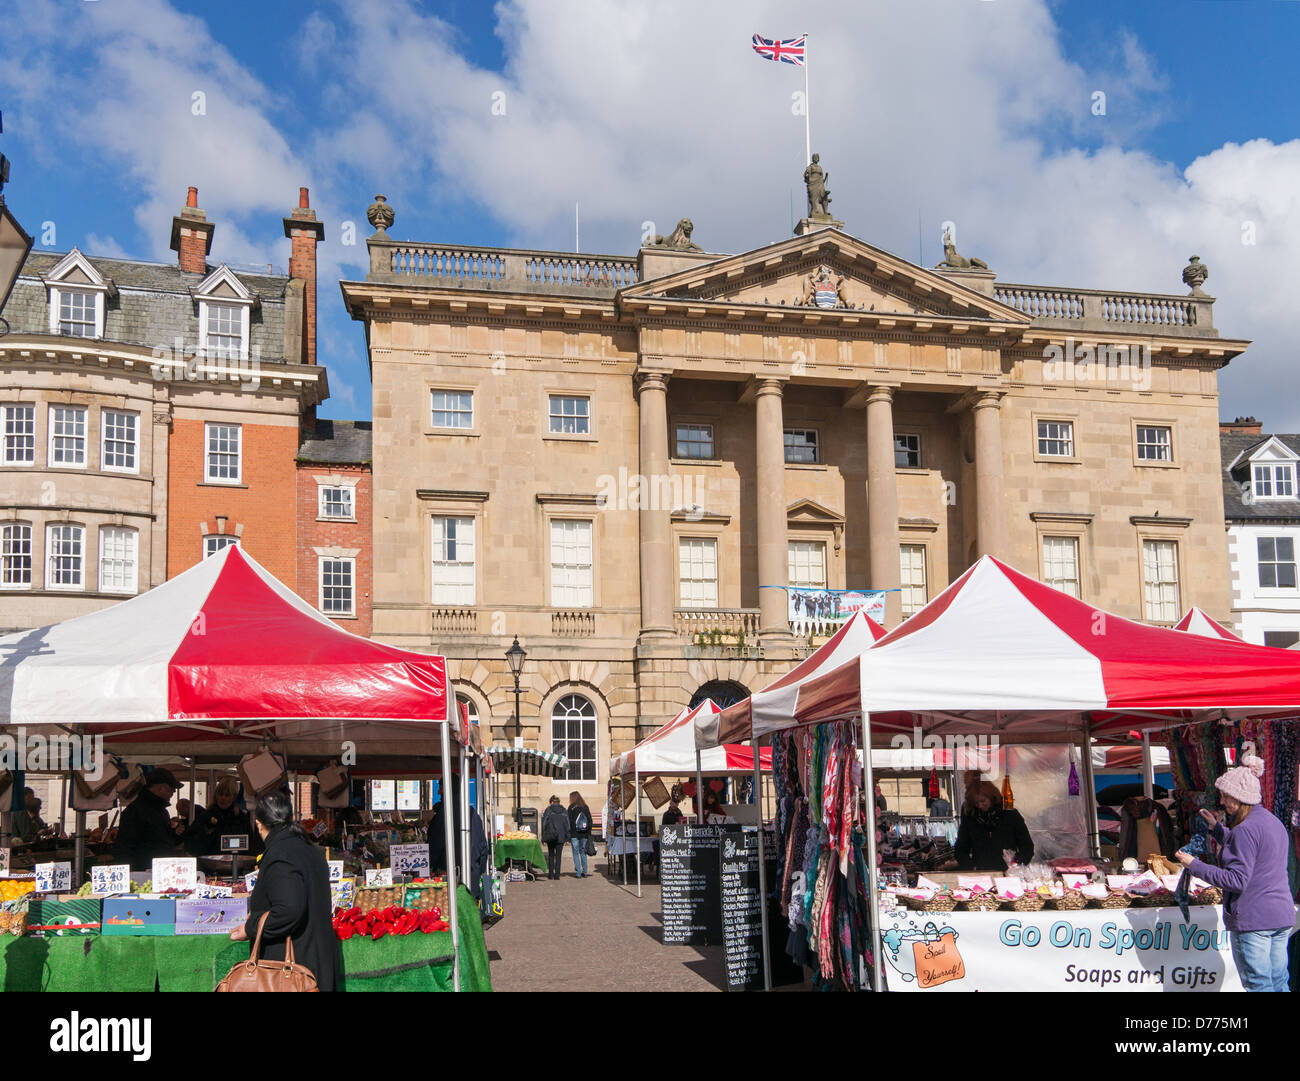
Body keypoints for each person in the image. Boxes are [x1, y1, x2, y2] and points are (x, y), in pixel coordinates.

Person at [1176, 743, 1295, 992]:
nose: (1221, 801)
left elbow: (1236, 880)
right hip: (1280, 915)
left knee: (1259, 985)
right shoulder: (1271, 822)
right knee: (1278, 982)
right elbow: (1254, 853)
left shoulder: (1245, 830)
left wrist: (1194, 865)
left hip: (1254, 919)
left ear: (1238, 799)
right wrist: (1217, 830)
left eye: (1225, 796)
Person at [230, 789, 338, 992]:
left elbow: (288, 910)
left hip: (295, 968)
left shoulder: (281, 854)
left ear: (259, 823)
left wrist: (250, 927)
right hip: (315, 958)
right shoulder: (309, 848)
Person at [427, 773, 490, 900]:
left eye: (441, 788)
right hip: (471, 877)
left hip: (450, 879)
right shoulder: (472, 813)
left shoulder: (444, 814)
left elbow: (435, 846)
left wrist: (430, 867)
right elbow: (483, 848)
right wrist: (478, 871)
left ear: (448, 789)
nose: (438, 792)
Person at [112, 768, 183, 871]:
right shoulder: (135, 811)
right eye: (172, 788)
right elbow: (124, 847)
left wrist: (175, 834)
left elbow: (162, 841)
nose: (174, 792)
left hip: (161, 870)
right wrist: (132, 875)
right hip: (143, 872)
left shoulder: (160, 810)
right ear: (161, 788)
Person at [954, 780, 1034, 872]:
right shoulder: (970, 819)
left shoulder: (1011, 815)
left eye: (983, 801)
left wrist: (1017, 864)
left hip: (1009, 874)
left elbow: (1027, 846)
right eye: (976, 803)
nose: (980, 805)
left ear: (992, 797)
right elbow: (960, 849)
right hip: (981, 874)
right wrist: (971, 867)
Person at [184, 777, 260, 857]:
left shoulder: (241, 818)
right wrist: (205, 832)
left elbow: (251, 846)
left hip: (236, 865)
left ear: (234, 797)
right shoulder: (205, 816)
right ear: (216, 796)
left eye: (227, 795)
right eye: (220, 794)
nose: (223, 798)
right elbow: (190, 845)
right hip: (208, 865)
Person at [540, 794, 570, 880]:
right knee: (559, 856)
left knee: (551, 855)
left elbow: (544, 824)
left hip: (550, 835)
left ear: (552, 802)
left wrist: (543, 836)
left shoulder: (548, 810)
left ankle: (550, 874)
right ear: (559, 802)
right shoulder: (564, 811)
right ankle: (557, 875)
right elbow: (567, 825)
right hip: (561, 836)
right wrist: (568, 837)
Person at [567, 791, 592, 878]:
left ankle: (578, 872)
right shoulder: (585, 807)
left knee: (575, 853)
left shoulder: (571, 807)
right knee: (583, 852)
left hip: (574, 834)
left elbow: (568, 822)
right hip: (584, 834)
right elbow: (590, 821)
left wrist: (568, 836)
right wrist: (588, 833)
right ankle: (585, 872)